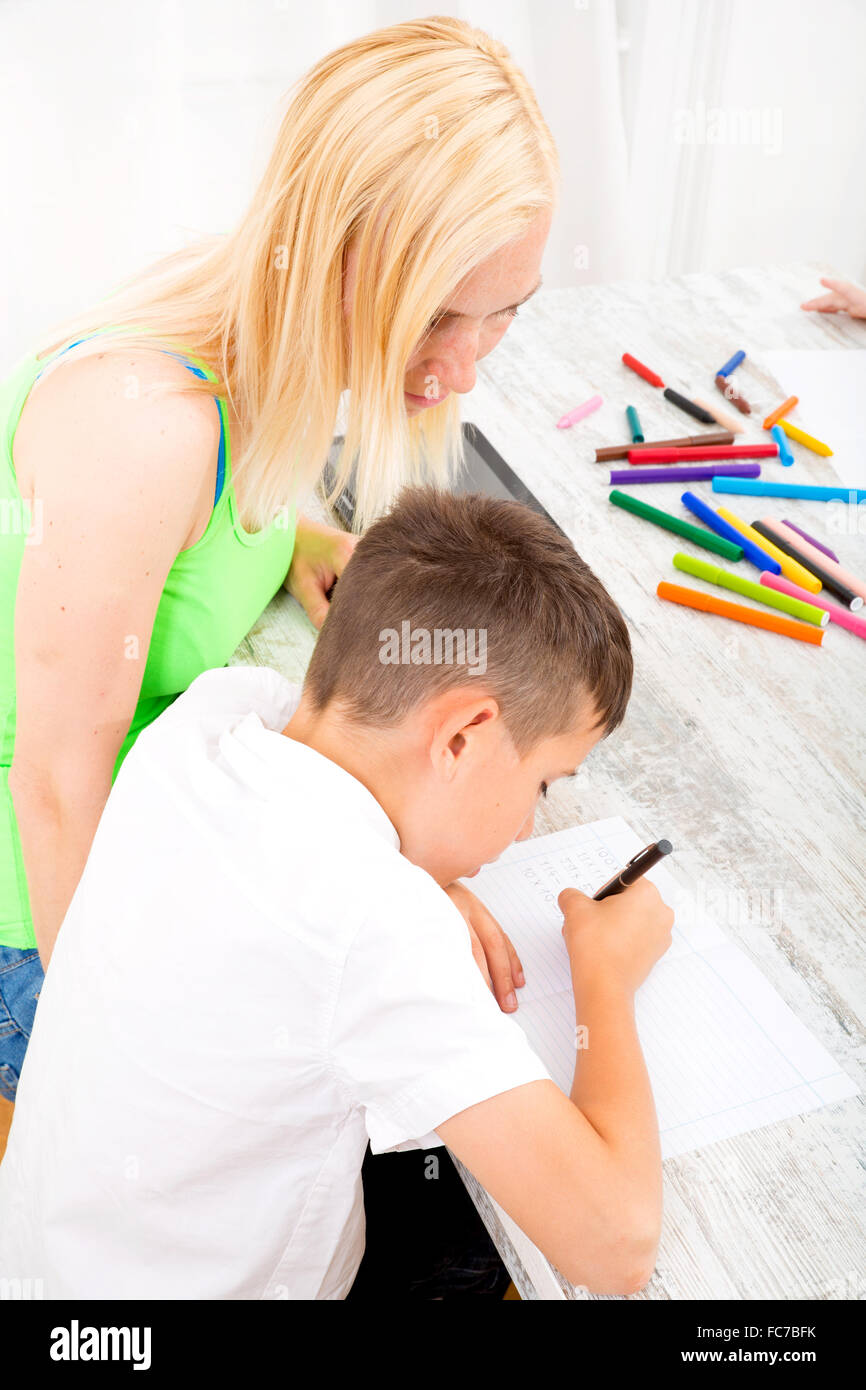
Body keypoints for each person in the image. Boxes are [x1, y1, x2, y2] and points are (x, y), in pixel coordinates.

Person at [0, 15, 559, 1100]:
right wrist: (104, 1074)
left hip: (150, 825)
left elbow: (188, 541)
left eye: (500, 318)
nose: (463, 370)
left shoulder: (267, 336)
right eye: (435, 314)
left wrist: (290, 539)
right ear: (337, 256)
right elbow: (58, 787)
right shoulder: (147, 425)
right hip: (39, 904)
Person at [0, 488, 673, 1299]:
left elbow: (344, 773)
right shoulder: (375, 925)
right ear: (462, 736)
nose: (531, 828)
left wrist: (425, 863)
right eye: (541, 783)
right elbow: (618, 1248)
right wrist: (603, 971)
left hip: (52, 1271)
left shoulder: (209, 720)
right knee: (479, 1225)